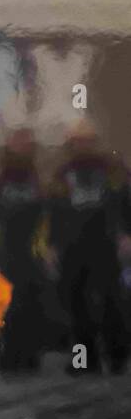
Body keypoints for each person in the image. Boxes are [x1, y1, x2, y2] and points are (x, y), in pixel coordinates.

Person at [49, 120, 127, 375]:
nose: (82, 145)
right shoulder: (62, 173)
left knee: (111, 301)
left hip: (105, 244)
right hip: (73, 247)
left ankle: (117, 358)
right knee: (77, 305)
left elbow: (125, 202)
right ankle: (85, 360)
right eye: (77, 141)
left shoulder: (112, 169)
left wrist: (126, 234)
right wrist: (52, 243)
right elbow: (55, 210)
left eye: (87, 140)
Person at [0, 128, 49, 371]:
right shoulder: (0, 178)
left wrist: (44, 246)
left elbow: (47, 212)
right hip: (7, 251)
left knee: (30, 303)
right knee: (7, 305)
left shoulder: (37, 178)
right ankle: (7, 357)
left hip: (30, 251)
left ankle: (29, 357)